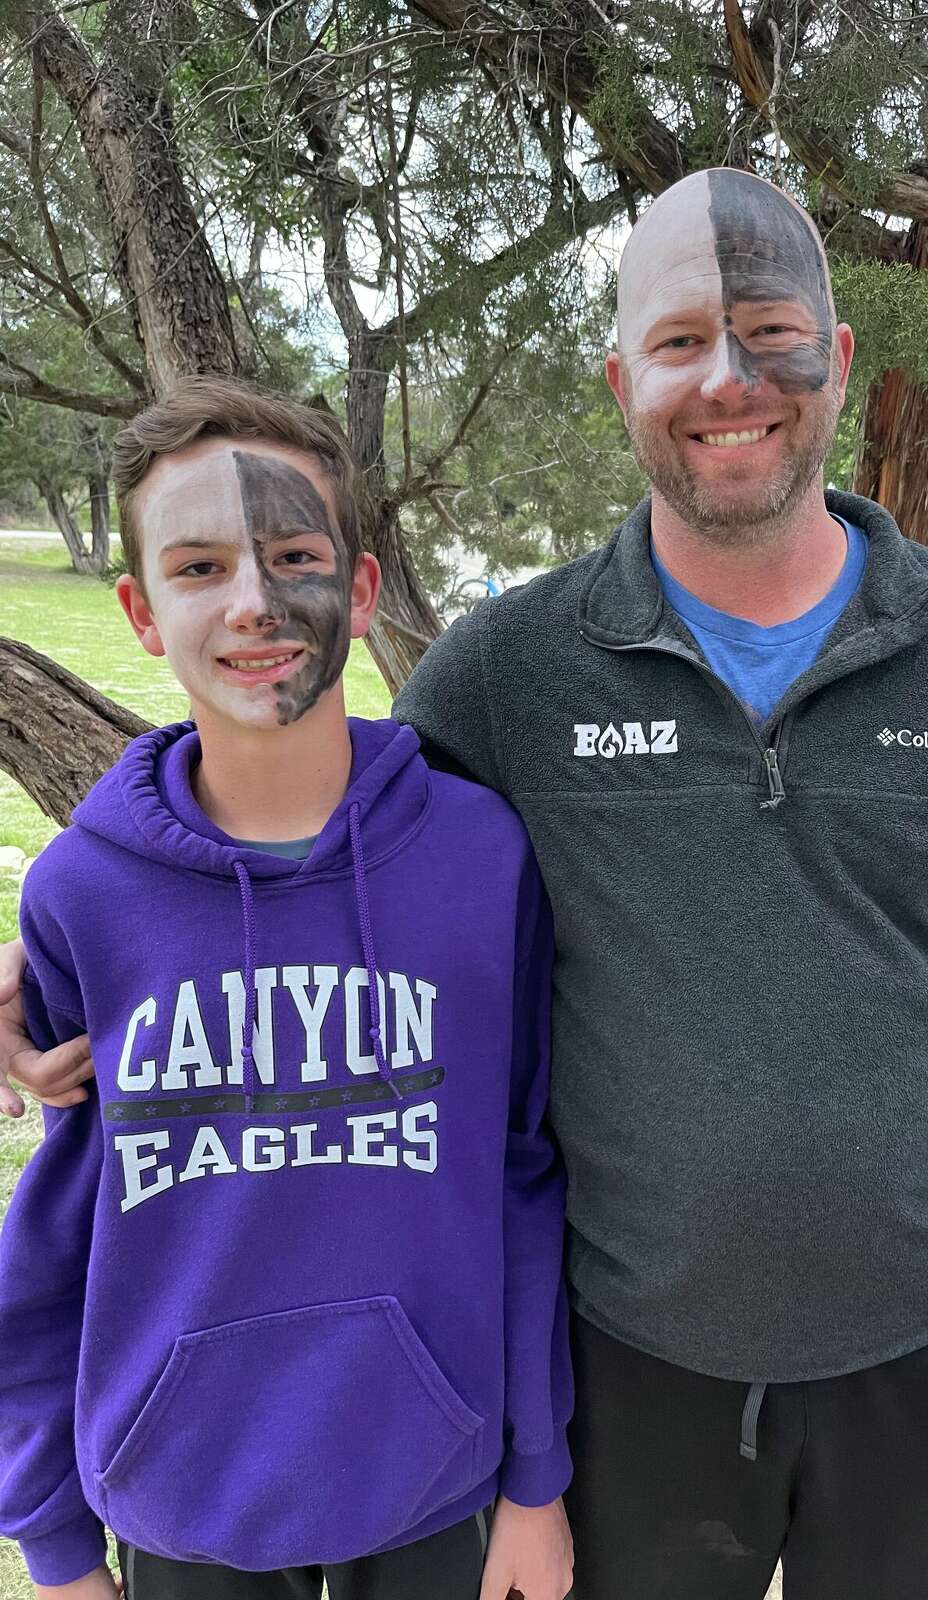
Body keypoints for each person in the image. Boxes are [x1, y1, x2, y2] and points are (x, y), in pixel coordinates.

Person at [1, 168, 928, 1600]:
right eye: (678, 343)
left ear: (840, 360)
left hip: (927, 1354)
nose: (728, 380)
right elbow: (300, 813)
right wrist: (54, 948)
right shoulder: (508, 671)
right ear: (620, 380)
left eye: (772, 331)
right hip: (623, 1373)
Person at [0, 379, 573, 1600]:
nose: (255, 603)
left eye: (295, 556)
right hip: (182, 1492)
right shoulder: (80, 898)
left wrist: (535, 1476)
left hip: (433, 1480)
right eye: (199, 567)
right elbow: (58, 1228)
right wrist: (52, 1544)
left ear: (361, 590)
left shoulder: (480, 860)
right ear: (141, 611)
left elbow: (520, 1171)